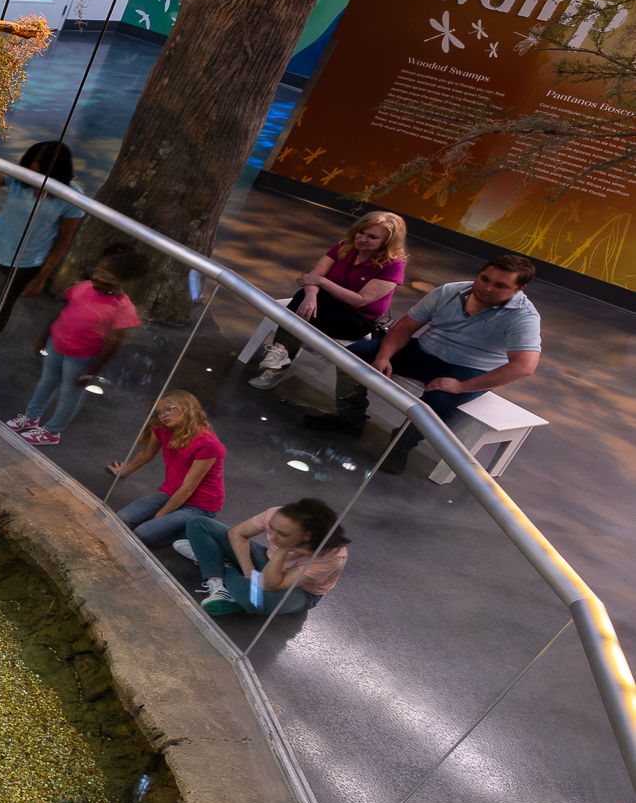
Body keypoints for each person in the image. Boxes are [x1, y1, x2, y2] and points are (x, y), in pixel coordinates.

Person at [303, 254, 542, 473]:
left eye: (500, 285)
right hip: (424, 349)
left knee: (436, 402)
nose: (487, 288)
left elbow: (523, 366)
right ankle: (349, 418)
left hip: (468, 368)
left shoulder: (523, 316)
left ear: (519, 289)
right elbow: (406, 326)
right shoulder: (449, 291)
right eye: (484, 278)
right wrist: (383, 356)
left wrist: (461, 386)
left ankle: (398, 449)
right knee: (353, 356)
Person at [0, 140, 88, 388]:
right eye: (30, 169)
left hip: (28, 264)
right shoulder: (16, 177)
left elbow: (63, 242)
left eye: (40, 172)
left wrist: (42, 277)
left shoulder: (70, 197)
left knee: (1, 308)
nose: (33, 176)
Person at [248, 211, 408, 389]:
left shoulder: (394, 265)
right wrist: (310, 296)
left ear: (387, 242)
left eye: (372, 237)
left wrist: (321, 281)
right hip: (327, 301)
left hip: (355, 318)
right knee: (302, 299)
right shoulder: (346, 246)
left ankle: (279, 361)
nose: (362, 238)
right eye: (361, 232)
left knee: (300, 318)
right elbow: (313, 276)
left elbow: (359, 300)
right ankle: (280, 354)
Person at [7, 251, 144, 447]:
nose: (97, 277)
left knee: (69, 394)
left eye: (106, 276)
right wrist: (43, 337)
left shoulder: (123, 308)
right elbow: (62, 312)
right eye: (98, 272)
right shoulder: (84, 287)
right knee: (46, 381)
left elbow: (112, 345)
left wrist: (90, 371)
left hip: (81, 357)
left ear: (120, 280)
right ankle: (31, 416)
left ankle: (52, 431)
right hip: (56, 344)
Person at [179, 498, 348, 619]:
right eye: (271, 529)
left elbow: (272, 584)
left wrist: (284, 550)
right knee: (199, 523)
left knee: (258, 602)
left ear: (307, 536)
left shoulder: (332, 556)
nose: (272, 537)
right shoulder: (279, 515)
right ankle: (220, 581)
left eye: (282, 534)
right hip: (266, 561)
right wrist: (248, 571)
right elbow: (237, 533)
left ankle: (221, 564)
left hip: (301, 590)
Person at [104, 390, 225, 548]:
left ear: (186, 407)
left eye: (169, 409)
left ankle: (198, 532)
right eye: (158, 413)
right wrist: (123, 472)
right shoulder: (162, 427)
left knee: (143, 534)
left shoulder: (208, 444)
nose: (163, 415)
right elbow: (147, 453)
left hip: (200, 505)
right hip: (170, 492)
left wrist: (158, 518)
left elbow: (188, 488)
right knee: (121, 518)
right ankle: (177, 525)